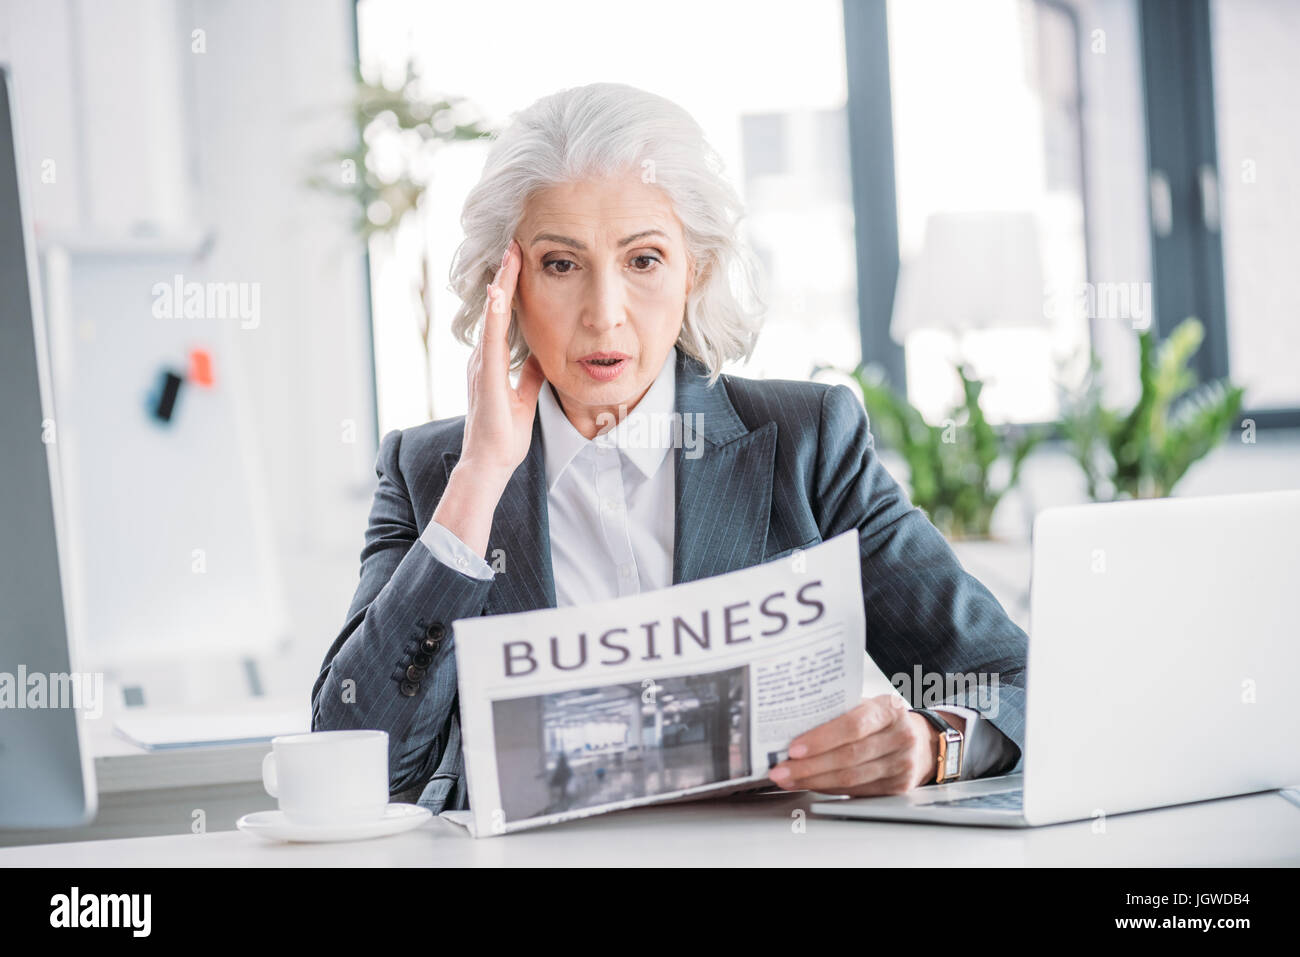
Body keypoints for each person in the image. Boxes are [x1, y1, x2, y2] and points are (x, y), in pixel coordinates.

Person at [311, 82, 1027, 815]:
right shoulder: (430, 474)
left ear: (697, 272)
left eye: (644, 260)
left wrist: (935, 741)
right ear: (508, 284)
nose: (604, 314)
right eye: (561, 264)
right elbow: (354, 752)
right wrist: (481, 477)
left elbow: (1014, 680)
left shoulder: (810, 443)